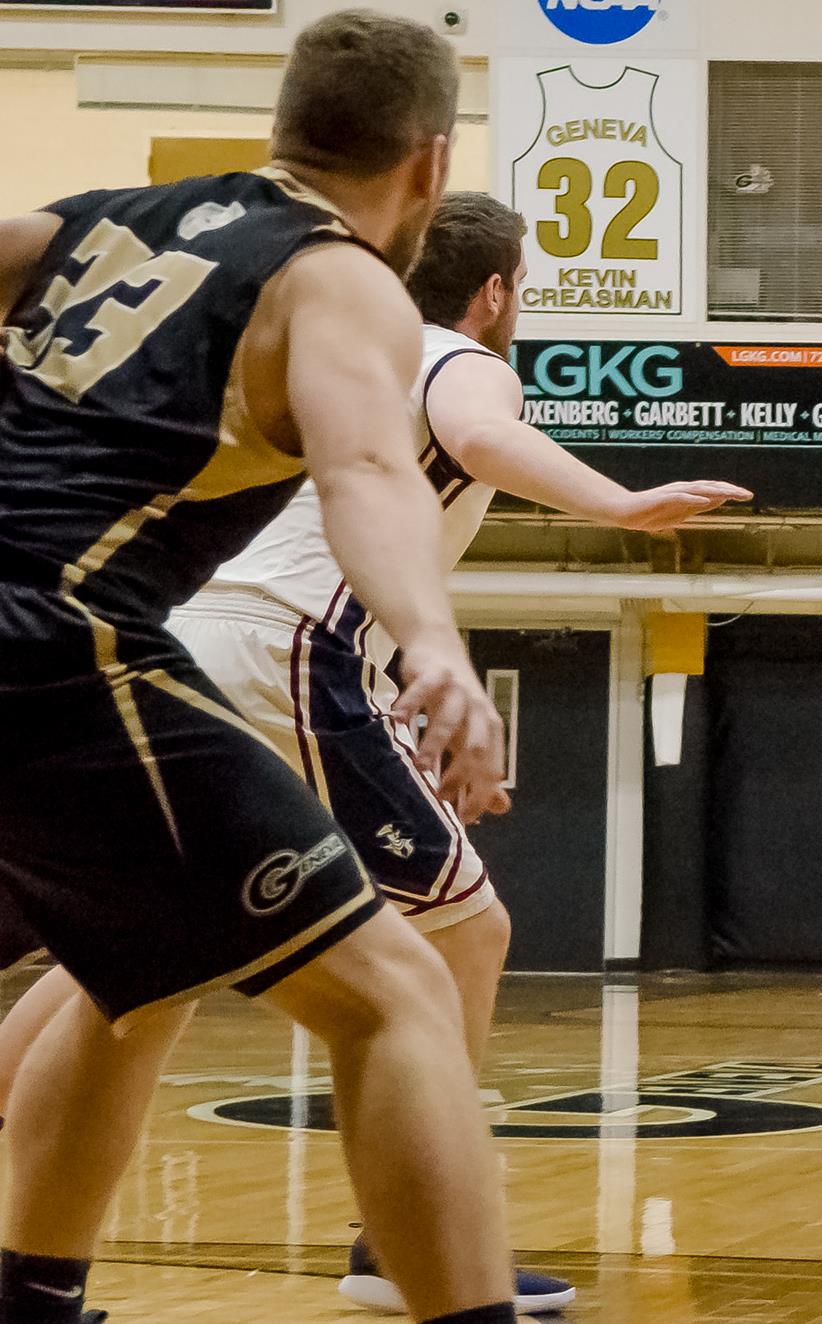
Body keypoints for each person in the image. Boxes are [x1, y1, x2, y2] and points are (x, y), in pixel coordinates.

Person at [0, 191, 752, 1315]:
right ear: (495, 291)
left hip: (175, 634)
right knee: (463, 929)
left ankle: (35, 1264)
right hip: (282, 653)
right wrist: (623, 501)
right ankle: (404, 1241)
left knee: (141, 950)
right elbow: (482, 434)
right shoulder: (451, 351)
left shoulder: (317, 330)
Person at [0, 12, 521, 1324]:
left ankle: (33, 1298)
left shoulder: (89, 221)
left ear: (283, 127)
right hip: (53, 651)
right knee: (398, 997)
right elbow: (363, 466)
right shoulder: (339, 279)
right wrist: (435, 640)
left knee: (145, 967)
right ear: (427, 163)